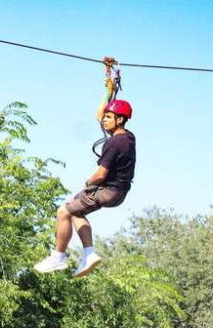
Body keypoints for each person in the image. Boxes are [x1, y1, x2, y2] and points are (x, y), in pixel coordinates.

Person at [33, 99, 136, 277]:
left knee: (63, 212)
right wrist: (109, 91)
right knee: (76, 212)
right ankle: (88, 254)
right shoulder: (128, 137)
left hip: (107, 190)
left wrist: (89, 183)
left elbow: (100, 175)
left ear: (119, 120)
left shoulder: (114, 143)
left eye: (108, 117)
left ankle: (58, 257)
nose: (103, 120)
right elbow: (100, 113)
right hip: (120, 191)